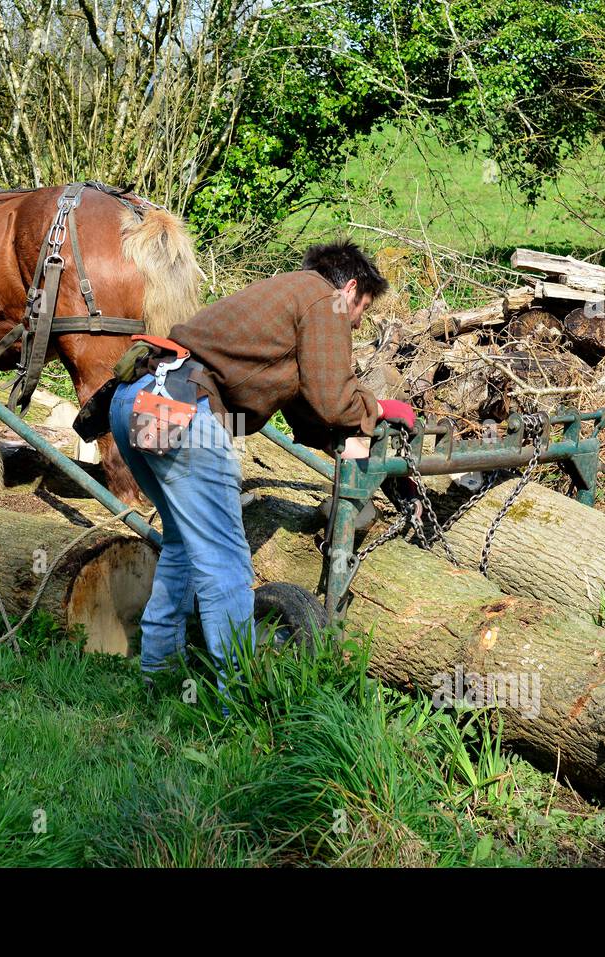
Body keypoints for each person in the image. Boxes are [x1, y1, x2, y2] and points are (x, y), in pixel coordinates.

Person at [107, 240, 415, 690]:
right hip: (179, 406)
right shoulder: (323, 299)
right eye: (363, 308)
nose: (358, 320)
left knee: (182, 542)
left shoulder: (286, 296)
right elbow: (332, 399)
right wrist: (380, 408)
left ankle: (159, 674)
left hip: (138, 400)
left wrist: (351, 437)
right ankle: (240, 696)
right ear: (349, 289)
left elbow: (309, 407)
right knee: (226, 560)